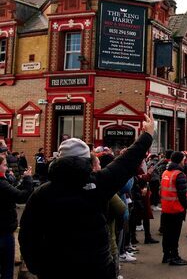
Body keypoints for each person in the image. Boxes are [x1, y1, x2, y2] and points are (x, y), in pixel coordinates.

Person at [19, 113, 155, 279]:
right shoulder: (98, 184)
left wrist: (39, 267)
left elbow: (28, 234)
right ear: (86, 161)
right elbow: (126, 161)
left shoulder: (41, 193)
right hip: (96, 267)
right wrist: (147, 135)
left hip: (55, 268)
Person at [0, 155, 33, 279]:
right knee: (7, 269)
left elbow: (11, 192)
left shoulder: (3, 182)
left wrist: (24, 180)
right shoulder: (1, 183)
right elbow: (21, 196)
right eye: (4, 165)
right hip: (4, 230)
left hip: (4, 229)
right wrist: (28, 179)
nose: (7, 168)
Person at [160, 151, 187, 266]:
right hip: (176, 208)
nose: (184, 161)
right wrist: (185, 205)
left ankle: (166, 255)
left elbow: (161, 189)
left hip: (166, 208)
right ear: (179, 160)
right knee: (175, 234)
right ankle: (174, 256)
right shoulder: (179, 174)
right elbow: (182, 194)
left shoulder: (165, 173)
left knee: (167, 233)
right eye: (183, 159)